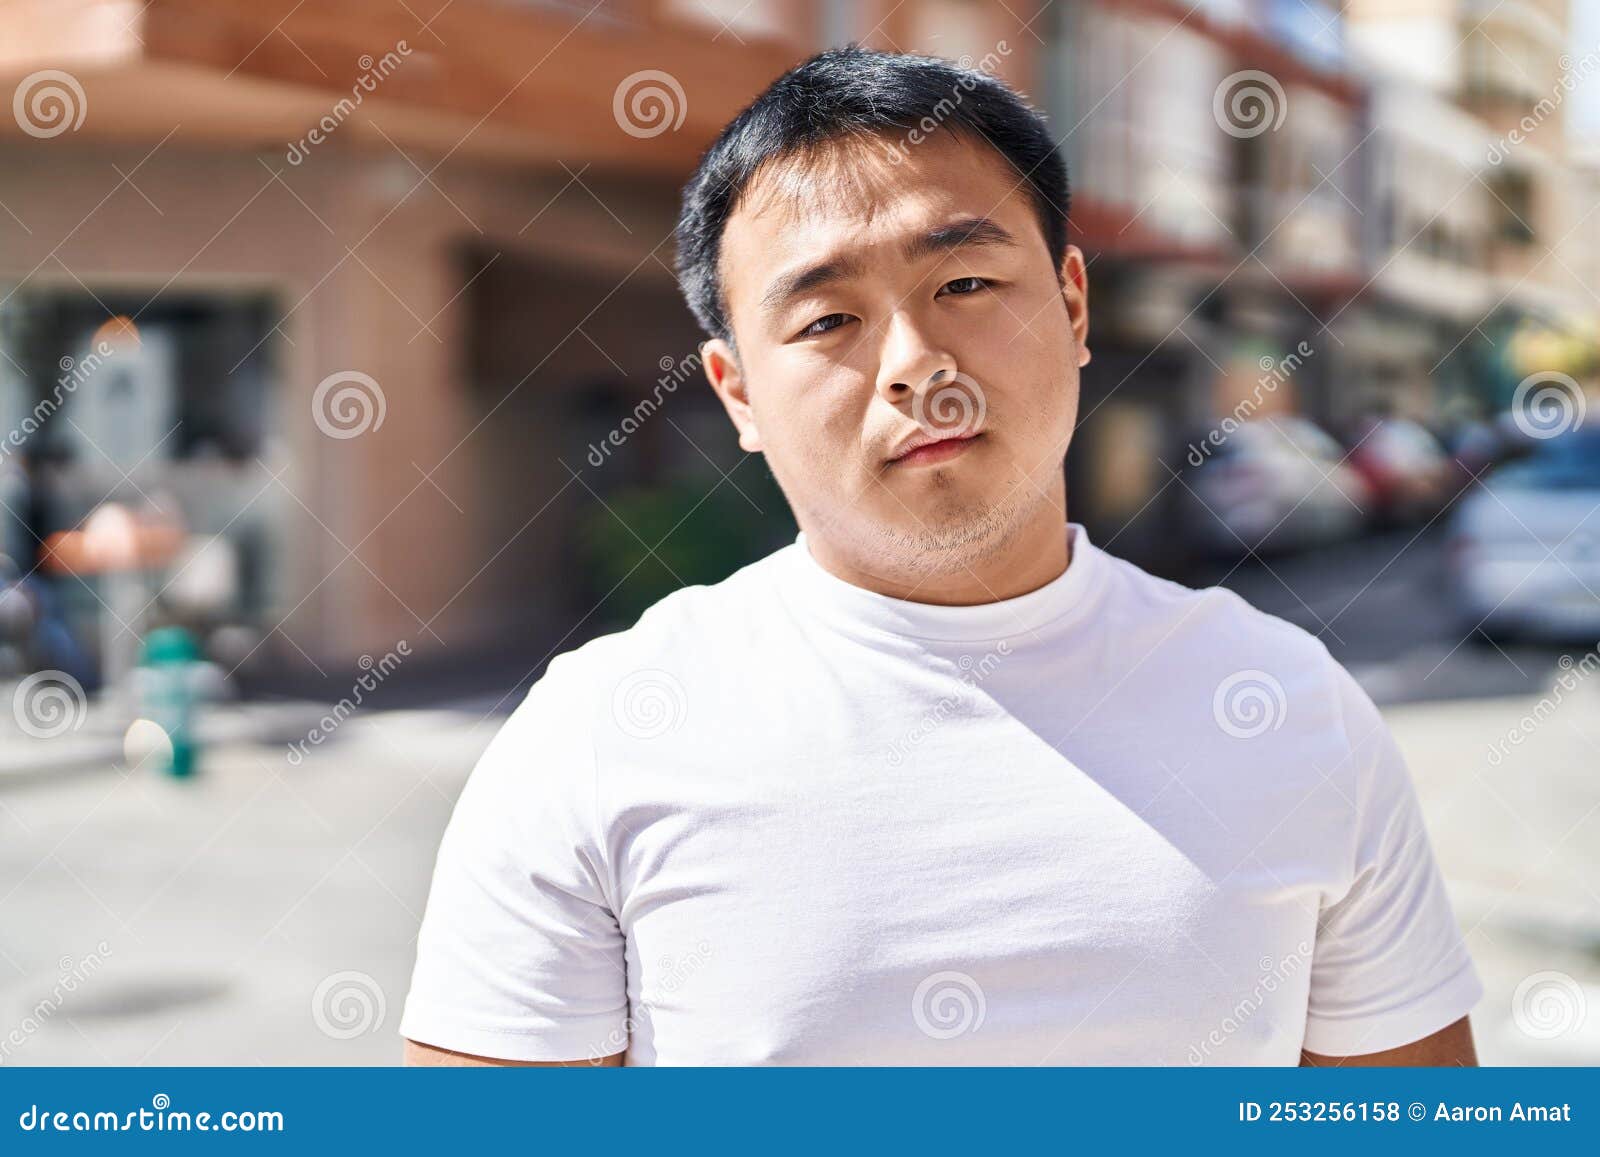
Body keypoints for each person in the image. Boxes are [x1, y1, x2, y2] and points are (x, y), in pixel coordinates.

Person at [400, 47, 1481, 1066]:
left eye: (963, 285)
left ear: (1068, 304)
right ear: (738, 394)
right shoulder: (596, 735)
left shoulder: (1288, 703)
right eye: (827, 320)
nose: (917, 363)